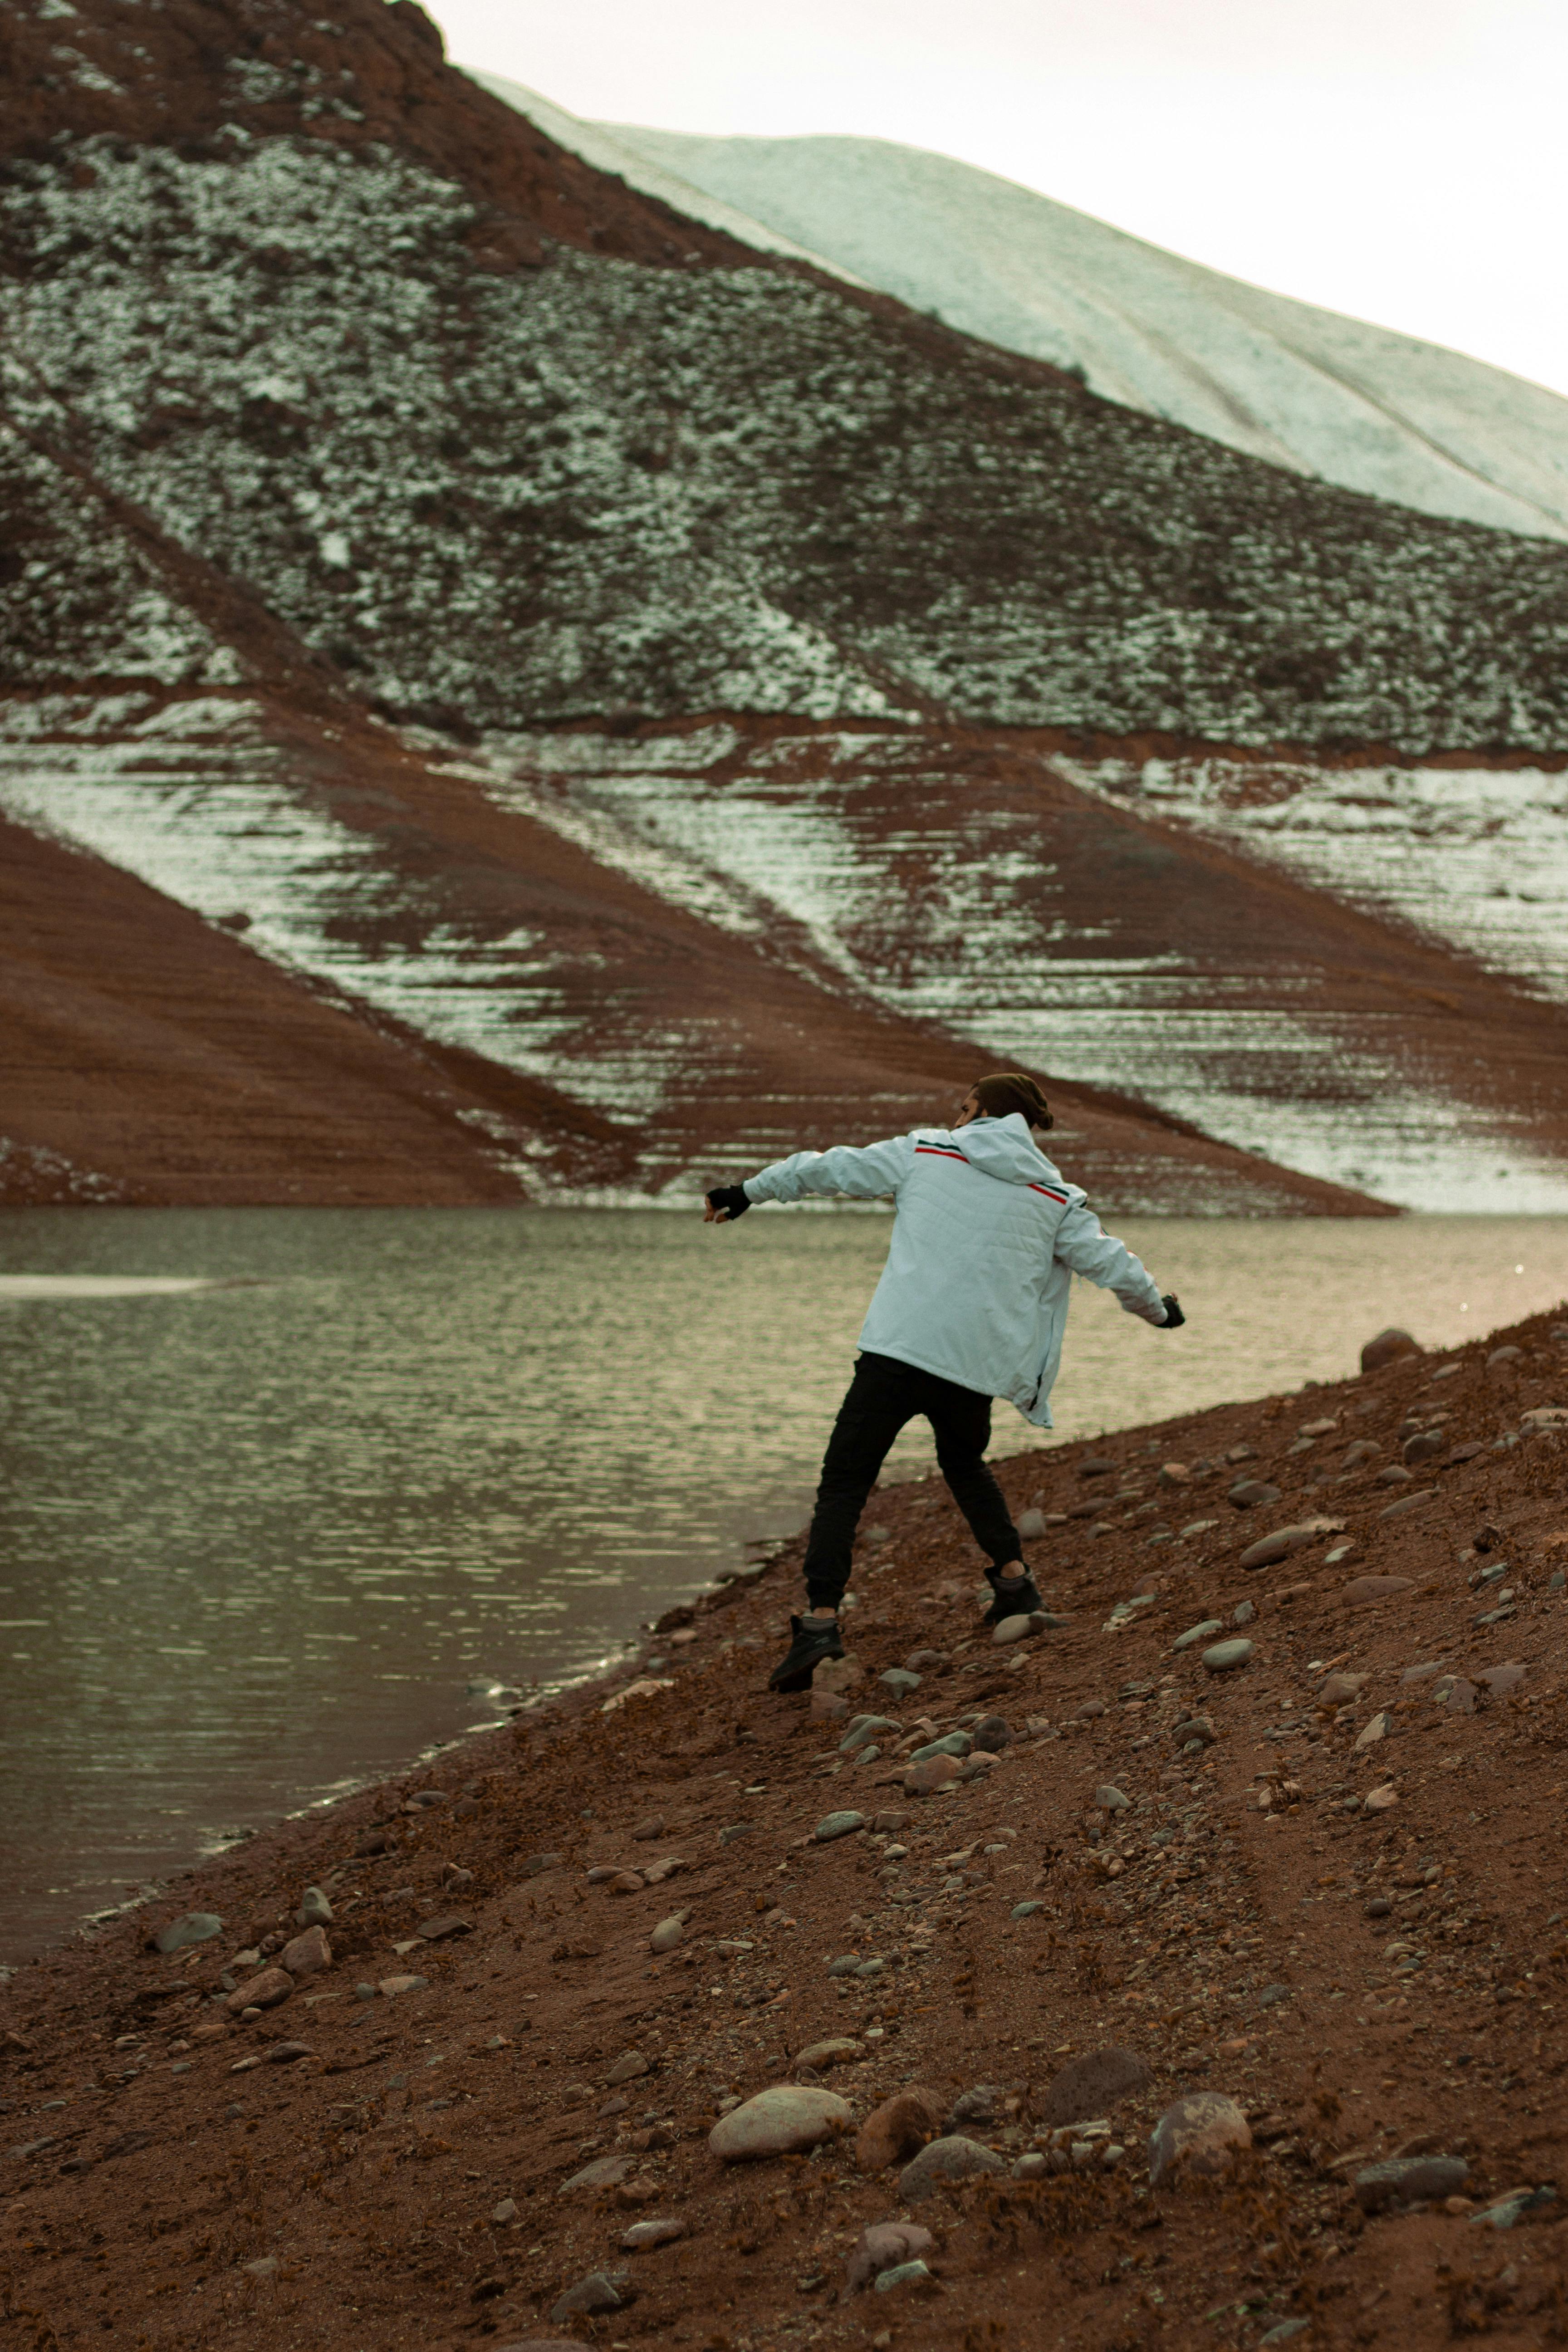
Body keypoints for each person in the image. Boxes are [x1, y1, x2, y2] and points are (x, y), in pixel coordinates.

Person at [703, 1072, 1185, 1693]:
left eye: (964, 1106)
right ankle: (1015, 1584)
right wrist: (1160, 1311)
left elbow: (827, 1169)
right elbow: (1112, 1263)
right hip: (971, 1369)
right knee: (965, 1465)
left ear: (980, 1109)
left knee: (845, 1483)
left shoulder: (926, 1152)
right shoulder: (1053, 1196)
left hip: (896, 1354)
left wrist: (746, 1191)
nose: (955, 1115)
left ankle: (821, 1626)